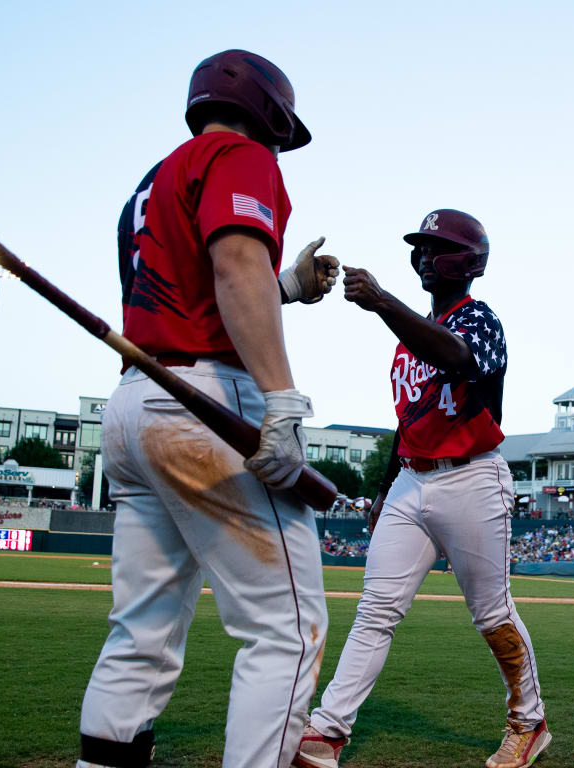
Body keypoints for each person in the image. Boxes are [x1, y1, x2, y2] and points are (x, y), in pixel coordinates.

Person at [77, 50, 339, 768]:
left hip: (136, 406)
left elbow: (194, 297)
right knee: (286, 628)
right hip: (204, 406)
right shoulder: (241, 153)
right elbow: (232, 268)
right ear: (271, 114)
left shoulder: (156, 176)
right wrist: (282, 398)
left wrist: (282, 286)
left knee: (141, 632)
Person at [296, 210, 550, 768]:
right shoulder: (406, 335)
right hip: (414, 479)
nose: (425, 255)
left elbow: (459, 359)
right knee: (376, 608)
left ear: (468, 261)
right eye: (421, 247)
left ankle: (529, 721)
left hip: (473, 477)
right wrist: (387, 486)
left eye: (437, 247)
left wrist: (384, 303)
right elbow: (407, 419)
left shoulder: (479, 318)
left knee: (492, 612)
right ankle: (327, 733)